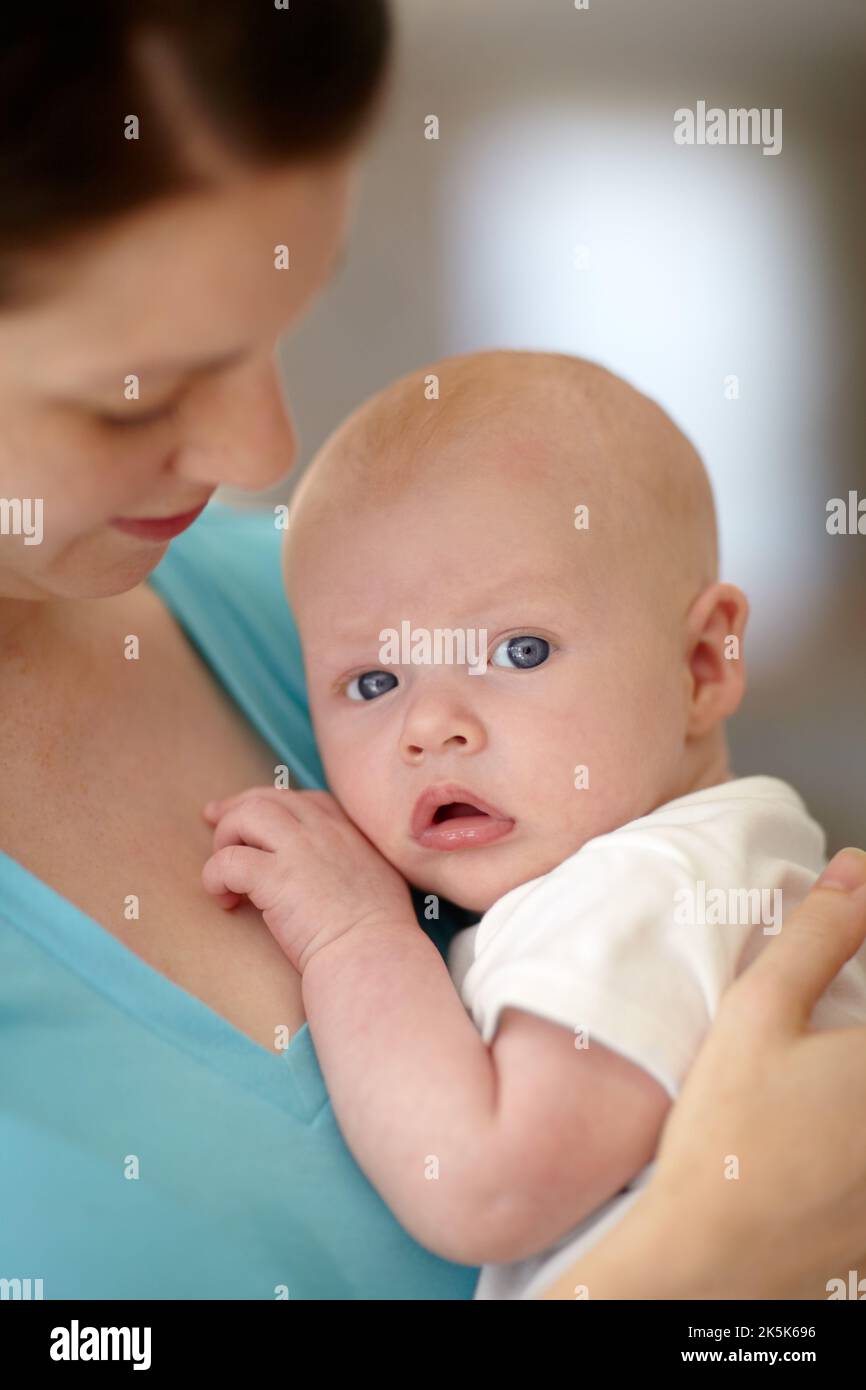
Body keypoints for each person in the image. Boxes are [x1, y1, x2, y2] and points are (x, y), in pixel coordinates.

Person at [0, 2, 864, 1300]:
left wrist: (359, 933)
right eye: (135, 392)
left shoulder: (332, 605)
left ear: (702, 663)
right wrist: (703, 1259)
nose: (260, 452)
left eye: (273, 324)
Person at [197, 350, 866, 1300]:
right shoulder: (706, 862)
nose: (430, 727)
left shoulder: (645, 887)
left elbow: (484, 1187)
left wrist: (357, 935)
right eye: (374, 683)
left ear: (702, 665)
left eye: (519, 649)